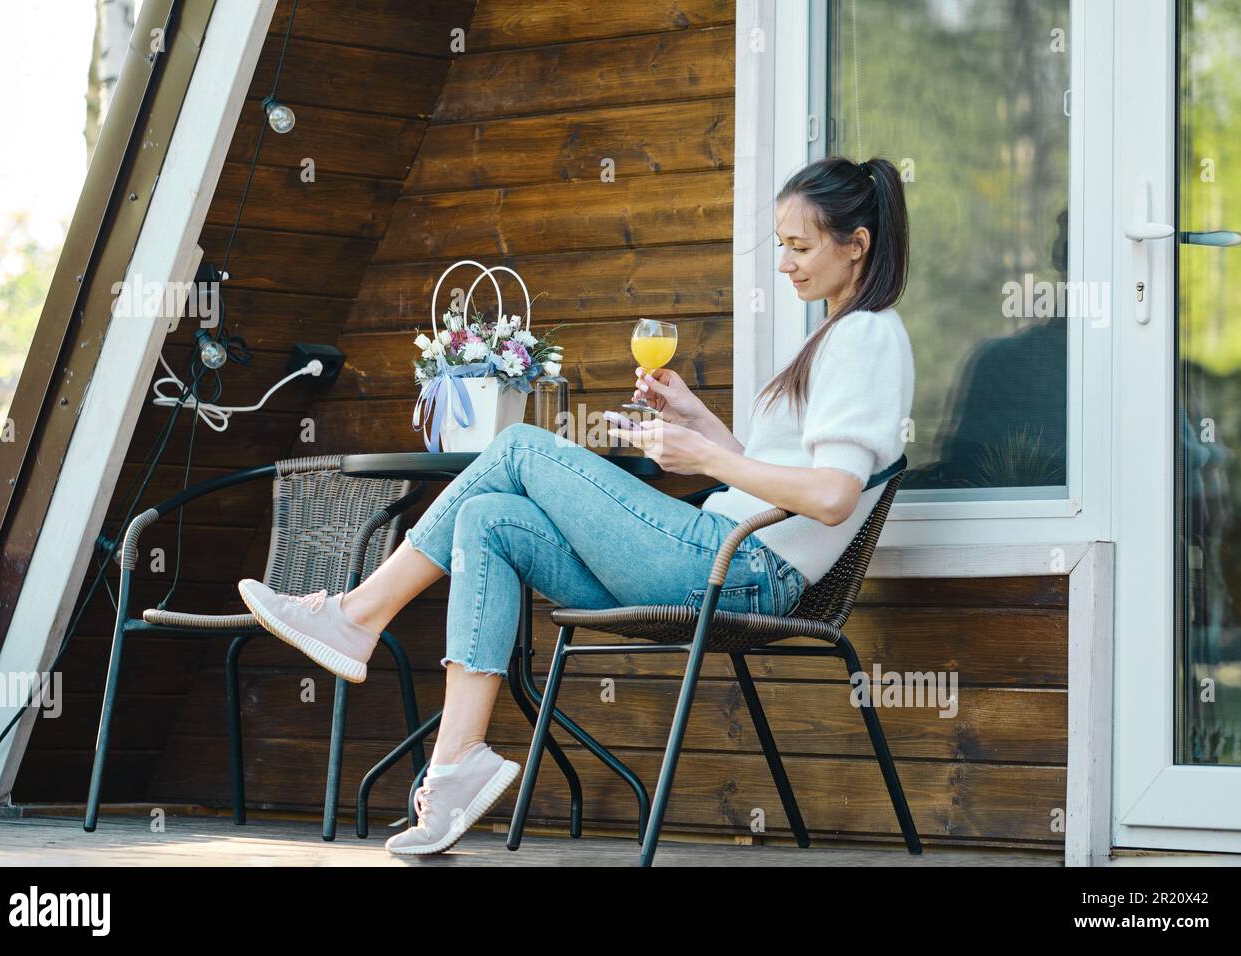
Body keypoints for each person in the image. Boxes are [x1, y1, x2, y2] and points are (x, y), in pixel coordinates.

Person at [237, 154, 914, 857]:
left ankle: (356, 615)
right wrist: (700, 423)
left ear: (856, 244)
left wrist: (708, 459)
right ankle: (455, 764)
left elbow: (834, 498)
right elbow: (783, 477)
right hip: (722, 551)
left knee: (522, 448)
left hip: (740, 567)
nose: (785, 264)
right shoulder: (834, 335)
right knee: (486, 520)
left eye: (799, 247)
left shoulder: (868, 337)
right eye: (781, 246)